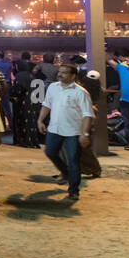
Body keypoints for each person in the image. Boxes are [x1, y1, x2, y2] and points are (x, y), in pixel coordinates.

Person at [38, 63, 94, 202]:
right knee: (50, 152)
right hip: (54, 128)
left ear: (73, 75)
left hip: (73, 131)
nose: (60, 75)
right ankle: (65, 172)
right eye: (60, 72)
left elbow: (87, 114)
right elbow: (47, 104)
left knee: (74, 161)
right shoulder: (53, 87)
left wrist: (84, 134)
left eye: (64, 72)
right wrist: (40, 120)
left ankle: (74, 190)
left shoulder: (80, 92)